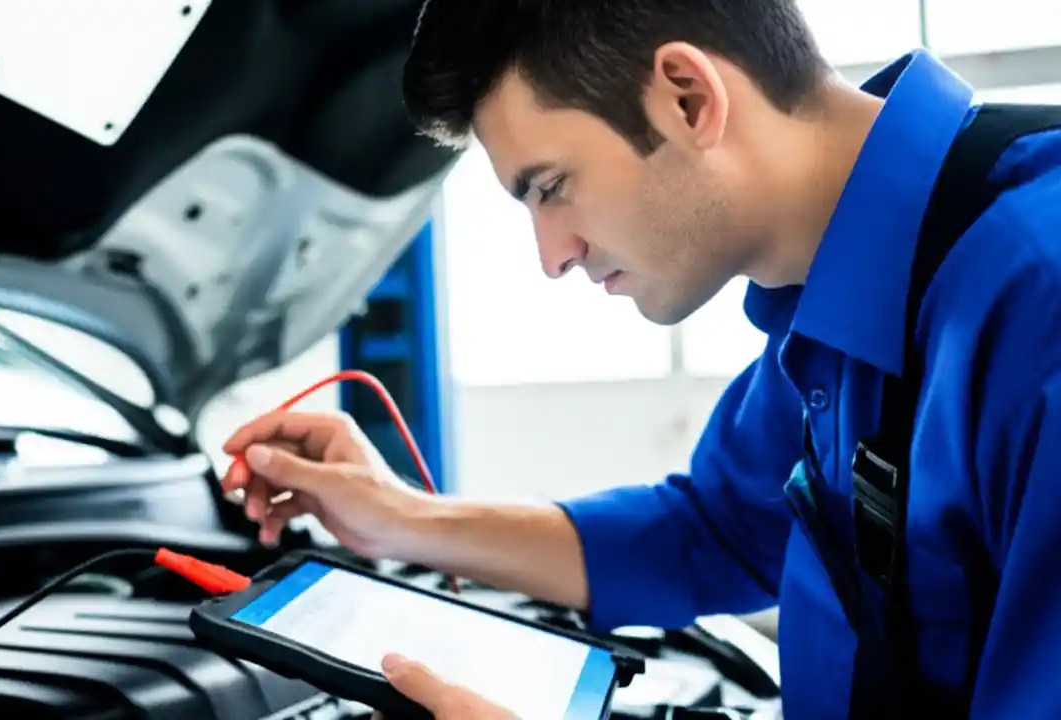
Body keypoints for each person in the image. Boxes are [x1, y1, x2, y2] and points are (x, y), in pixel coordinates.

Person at [223, 0, 1061, 717]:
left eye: (550, 187)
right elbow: (711, 532)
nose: (551, 255)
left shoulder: (1036, 303)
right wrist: (400, 520)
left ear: (688, 98)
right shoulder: (856, 291)